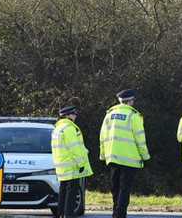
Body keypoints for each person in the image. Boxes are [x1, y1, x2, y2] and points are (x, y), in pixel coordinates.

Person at [99, 89, 150, 218]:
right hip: (129, 159)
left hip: (112, 157)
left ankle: (115, 211)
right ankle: (121, 213)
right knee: (124, 188)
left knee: (115, 187)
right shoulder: (133, 116)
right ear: (130, 101)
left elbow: (102, 136)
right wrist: (145, 156)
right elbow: (140, 139)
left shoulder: (109, 115)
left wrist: (103, 155)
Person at [51, 105, 93, 218]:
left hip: (61, 166)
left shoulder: (58, 128)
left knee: (63, 191)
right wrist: (81, 164)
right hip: (71, 165)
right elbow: (75, 148)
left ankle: (61, 214)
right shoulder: (69, 128)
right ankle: (68, 215)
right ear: (68, 115)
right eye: (74, 114)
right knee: (71, 193)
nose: (75, 116)